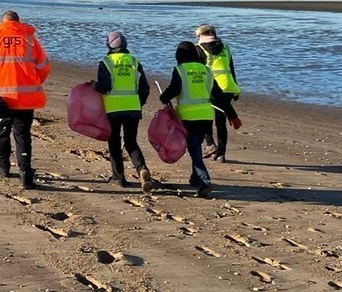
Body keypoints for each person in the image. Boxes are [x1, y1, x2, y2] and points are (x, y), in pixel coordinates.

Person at [0, 10, 52, 190]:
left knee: (2, 131)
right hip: (24, 97)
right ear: (18, 22)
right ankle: (25, 174)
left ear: (3, 22)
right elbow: (44, 67)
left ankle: (4, 168)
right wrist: (33, 82)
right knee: (23, 135)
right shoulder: (29, 39)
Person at [158, 41, 240, 198]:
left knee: (194, 149)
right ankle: (195, 178)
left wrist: (163, 98)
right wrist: (232, 114)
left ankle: (204, 181)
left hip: (188, 117)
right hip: (206, 117)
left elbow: (174, 89)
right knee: (196, 146)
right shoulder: (206, 70)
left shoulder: (180, 70)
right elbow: (219, 95)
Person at [92, 31, 155, 191]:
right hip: (132, 108)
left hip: (113, 108)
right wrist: (139, 103)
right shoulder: (134, 61)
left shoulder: (106, 62)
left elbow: (105, 87)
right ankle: (141, 168)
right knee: (130, 141)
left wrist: (94, 86)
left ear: (109, 45)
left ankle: (119, 178)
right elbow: (144, 88)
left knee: (114, 141)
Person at [196, 24, 241, 163]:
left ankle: (210, 144)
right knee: (221, 122)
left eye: (197, 36)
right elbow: (231, 69)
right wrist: (236, 89)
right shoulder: (226, 48)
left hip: (211, 88)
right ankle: (221, 154)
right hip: (228, 87)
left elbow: (198, 70)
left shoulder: (199, 49)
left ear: (202, 35)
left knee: (202, 117)